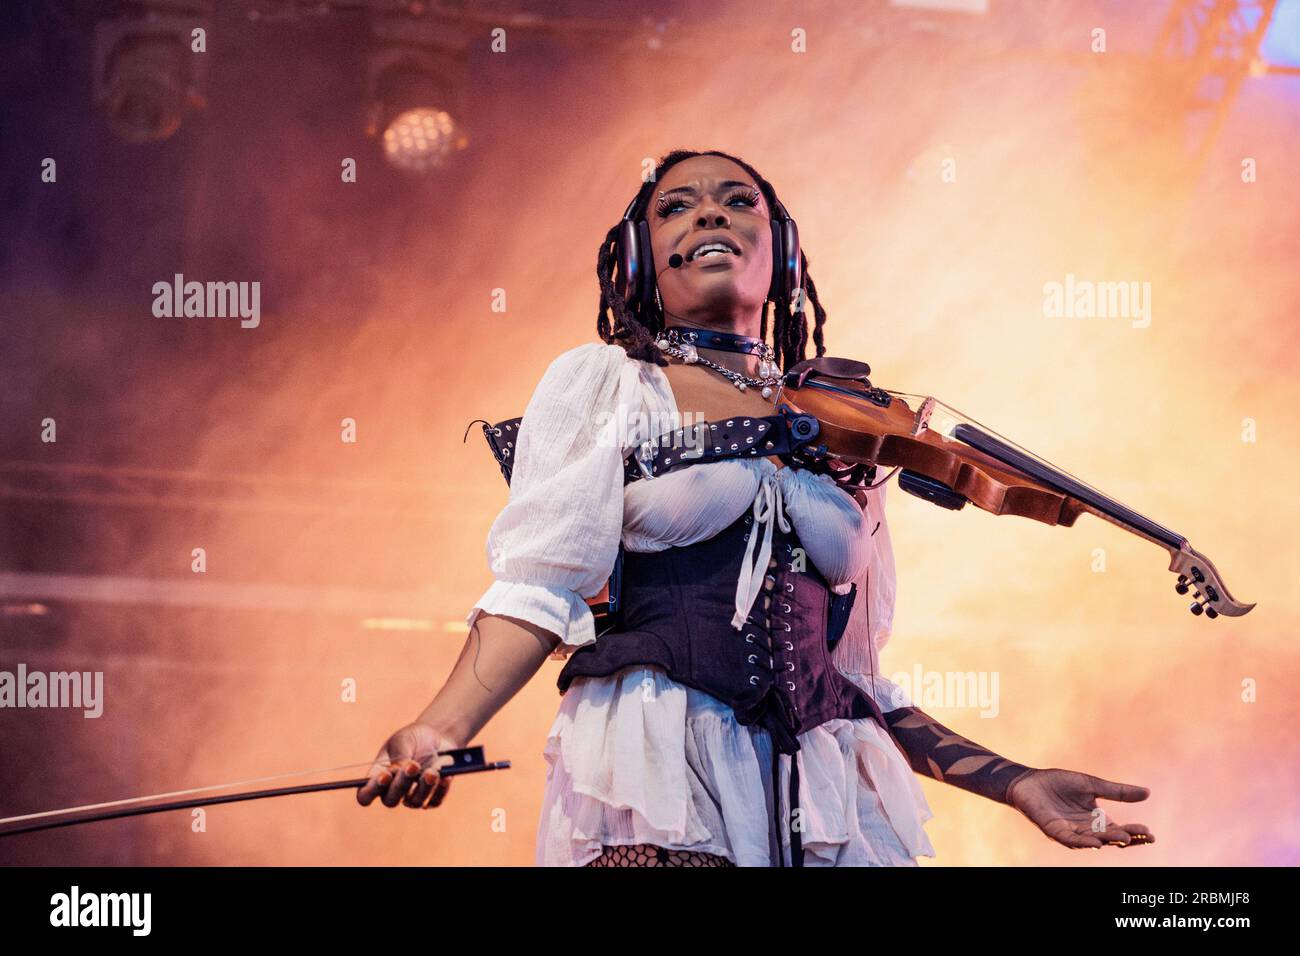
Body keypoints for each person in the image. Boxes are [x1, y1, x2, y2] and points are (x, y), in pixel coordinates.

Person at [357, 149, 1155, 866]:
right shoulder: (607, 383)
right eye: (675, 206)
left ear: (782, 251)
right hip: (663, 766)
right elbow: (538, 592)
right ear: (643, 262)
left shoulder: (853, 432)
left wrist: (1014, 781)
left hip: (828, 793)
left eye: (738, 201)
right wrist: (439, 730)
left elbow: (855, 679)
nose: (709, 212)